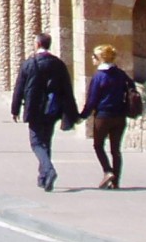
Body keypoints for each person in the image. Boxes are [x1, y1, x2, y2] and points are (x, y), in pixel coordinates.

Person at [11, 32, 76, 192]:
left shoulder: (29, 63)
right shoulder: (58, 64)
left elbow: (19, 87)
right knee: (46, 141)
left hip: (34, 108)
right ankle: (43, 178)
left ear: (38, 44)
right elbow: (67, 88)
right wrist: (71, 112)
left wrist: (15, 108)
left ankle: (49, 170)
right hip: (52, 109)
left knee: (36, 143)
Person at [80, 44, 136, 190]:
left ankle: (108, 171)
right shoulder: (121, 74)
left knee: (98, 145)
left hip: (103, 116)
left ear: (99, 58)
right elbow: (132, 88)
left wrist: (82, 116)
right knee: (115, 149)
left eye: (94, 56)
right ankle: (116, 182)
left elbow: (92, 100)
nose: (92, 59)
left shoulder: (99, 76)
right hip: (120, 116)